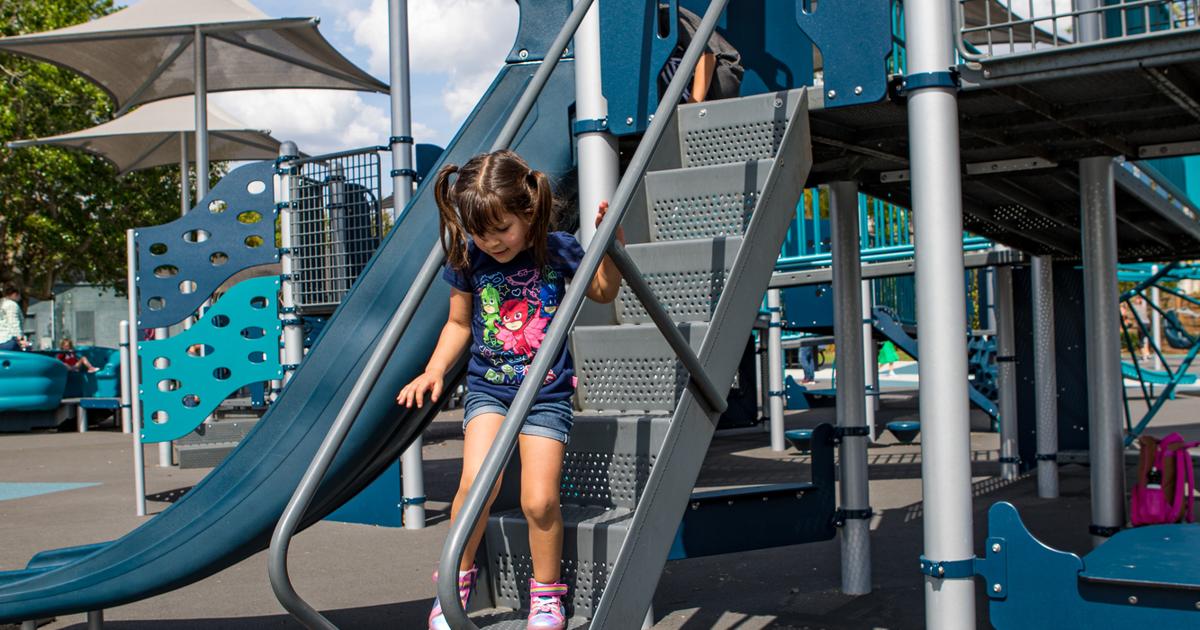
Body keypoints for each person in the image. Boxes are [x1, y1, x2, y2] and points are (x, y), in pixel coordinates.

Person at [397, 150, 623, 630]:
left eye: (501, 229)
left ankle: (546, 596)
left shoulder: (556, 249)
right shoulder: (469, 256)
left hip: (545, 393)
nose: (491, 241)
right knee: (476, 486)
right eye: (481, 231)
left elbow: (603, 292)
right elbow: (459, 323)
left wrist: (609, 247)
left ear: (528, 212)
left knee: (538, 501)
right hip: (490, 390)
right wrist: (435, 370)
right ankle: (454, 579)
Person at [0, 285, 28, 351]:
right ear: (15, 294)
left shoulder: (1, 303)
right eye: (20, 295)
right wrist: (21, 341)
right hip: (8, 340)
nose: (20, 298)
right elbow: (14, 324)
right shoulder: (11, 305)